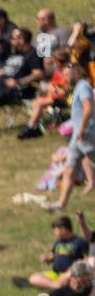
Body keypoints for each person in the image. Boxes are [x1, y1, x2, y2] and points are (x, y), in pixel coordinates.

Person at [0, 25, 45, 141]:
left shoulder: (33, 54)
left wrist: (20, 81)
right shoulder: (14, 52)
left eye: (14, 38)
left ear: (22, 40)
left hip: (18, 89)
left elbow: (38, 74)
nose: (11, 41)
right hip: (1, 85)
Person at [49, 61, 95, 211]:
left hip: (87, 134)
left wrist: (81, 129)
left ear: (77, 72)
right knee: (69, 169)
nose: (65, 78)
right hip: (78, 135)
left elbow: (88, 108)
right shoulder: (77, 88)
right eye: (64, 75)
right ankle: (61, 204)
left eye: (68, 74)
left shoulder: (83, 86)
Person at [12, 216, 89, 291]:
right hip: (55, 273)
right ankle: (55, 286)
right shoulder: (58, 242)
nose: (54, 233)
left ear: (63, 229)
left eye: (56, 230)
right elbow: (53, 255)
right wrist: (47, 258)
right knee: (34, 277)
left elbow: (86, 260)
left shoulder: (80, 242)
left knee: (64, 280)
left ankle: (49, 285)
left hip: (70, 274)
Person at [18, 47, 72, 139]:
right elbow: (53, 84)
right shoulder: (58, 71)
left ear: (59, 61)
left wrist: (53, 88)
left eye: (54, 61)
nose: (53, 63)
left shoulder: (67, 72)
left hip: (64, 99)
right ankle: (35, 127)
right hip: (54, 97)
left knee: (38, 103)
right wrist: (49, 87)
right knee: (35, 102)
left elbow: (66, 91)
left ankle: (31, 128)